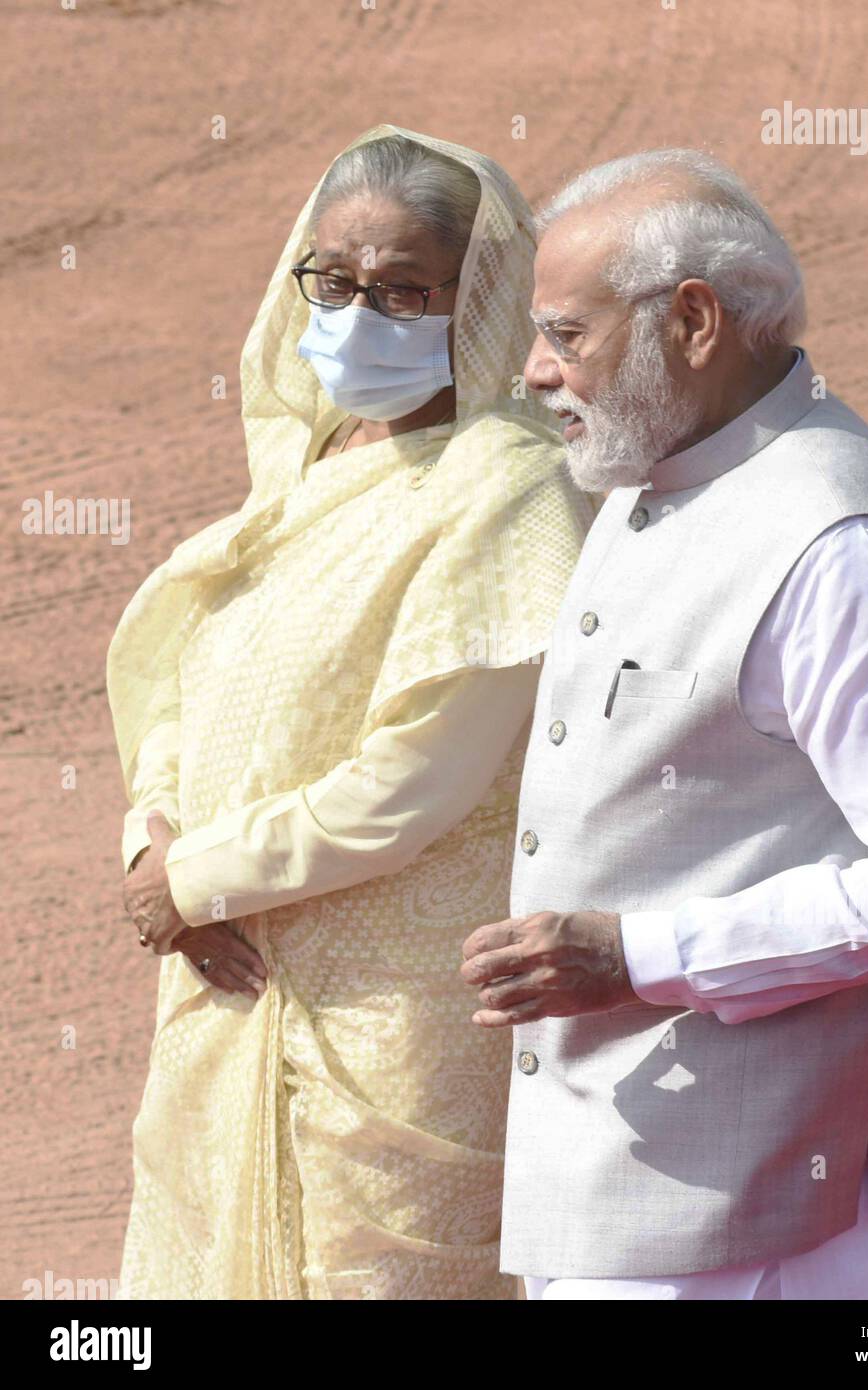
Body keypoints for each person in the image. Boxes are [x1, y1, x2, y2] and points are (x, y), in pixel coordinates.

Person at [459, 148, 868, 1300]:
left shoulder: (839, 549)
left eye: (567, 334)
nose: (534, 372)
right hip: (646, 1174)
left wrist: (637, 954)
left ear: (694, 322)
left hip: (785, 1198)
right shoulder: (655, 472)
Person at [106, 124, 595, 1300]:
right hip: (227, 977)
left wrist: (193, 879)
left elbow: (417, 781)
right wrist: (151, 836)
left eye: (402, 290)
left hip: (393, 1017)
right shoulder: (313, 461)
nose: (358, 314)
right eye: (333, 280)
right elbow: (188, 674)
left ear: (476, 299)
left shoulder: (510, 489)